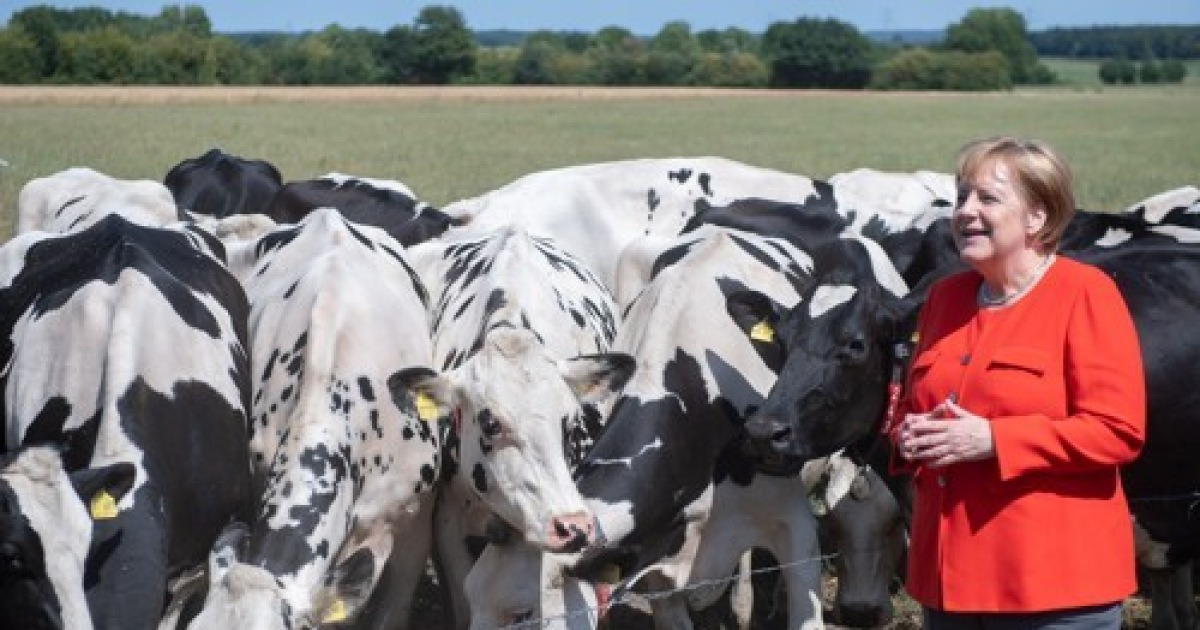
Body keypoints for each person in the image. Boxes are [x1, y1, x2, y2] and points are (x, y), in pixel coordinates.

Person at [892, 135, 1146, 629]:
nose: (965, 211)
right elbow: (913, 407)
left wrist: (992, 439)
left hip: (1051, 589)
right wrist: (908, 435)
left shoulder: (1085, 294)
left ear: (1038, 218)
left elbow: (1117, 430)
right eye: (961, 196)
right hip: (947, 585)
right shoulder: (944, 298)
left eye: (987, 198)